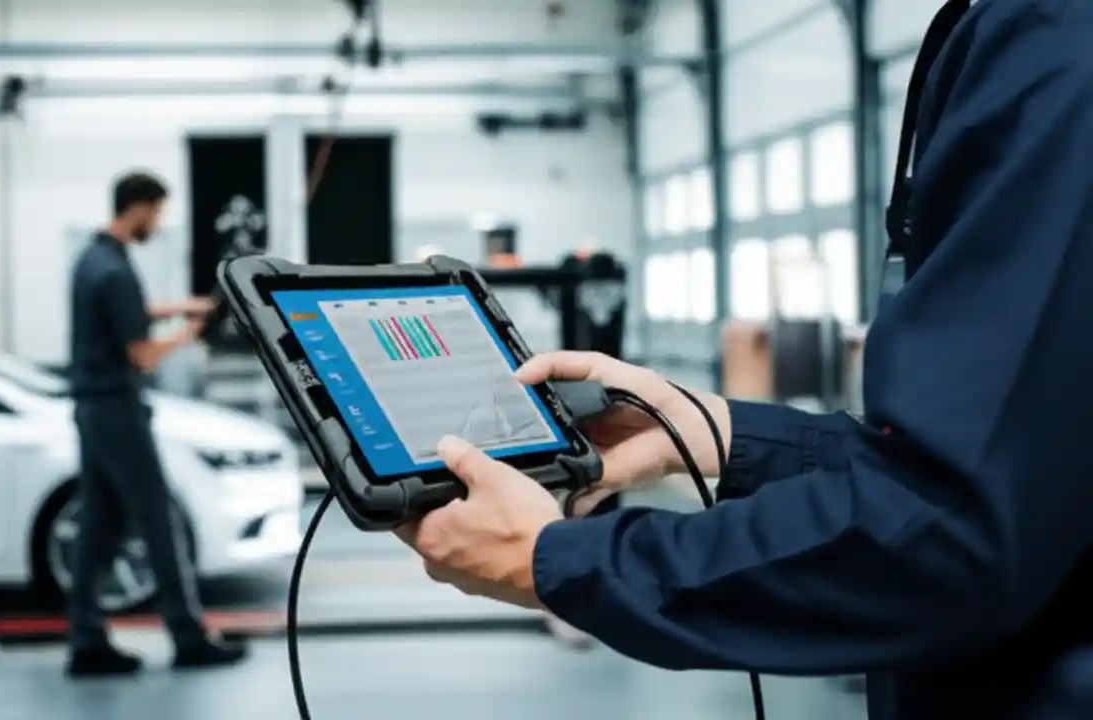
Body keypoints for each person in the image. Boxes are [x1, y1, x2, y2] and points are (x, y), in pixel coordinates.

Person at [398, 1, 1093, 718]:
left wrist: (557, 559)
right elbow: (1022, 471)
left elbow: (952, 536)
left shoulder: (1061, 42)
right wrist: (722, 435)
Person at [66, 171, 245, 677]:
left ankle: (86, 640)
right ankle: (188, 636)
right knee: (159, 518)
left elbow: (129, 314)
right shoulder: (116, 270)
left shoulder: (92, 259)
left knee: (100, 527)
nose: (158, 222)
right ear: (139, 208)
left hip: (92, 408)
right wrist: (188, 334)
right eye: (158, 212)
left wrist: (184, 306)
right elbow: (142, 354)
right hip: (118, 409)